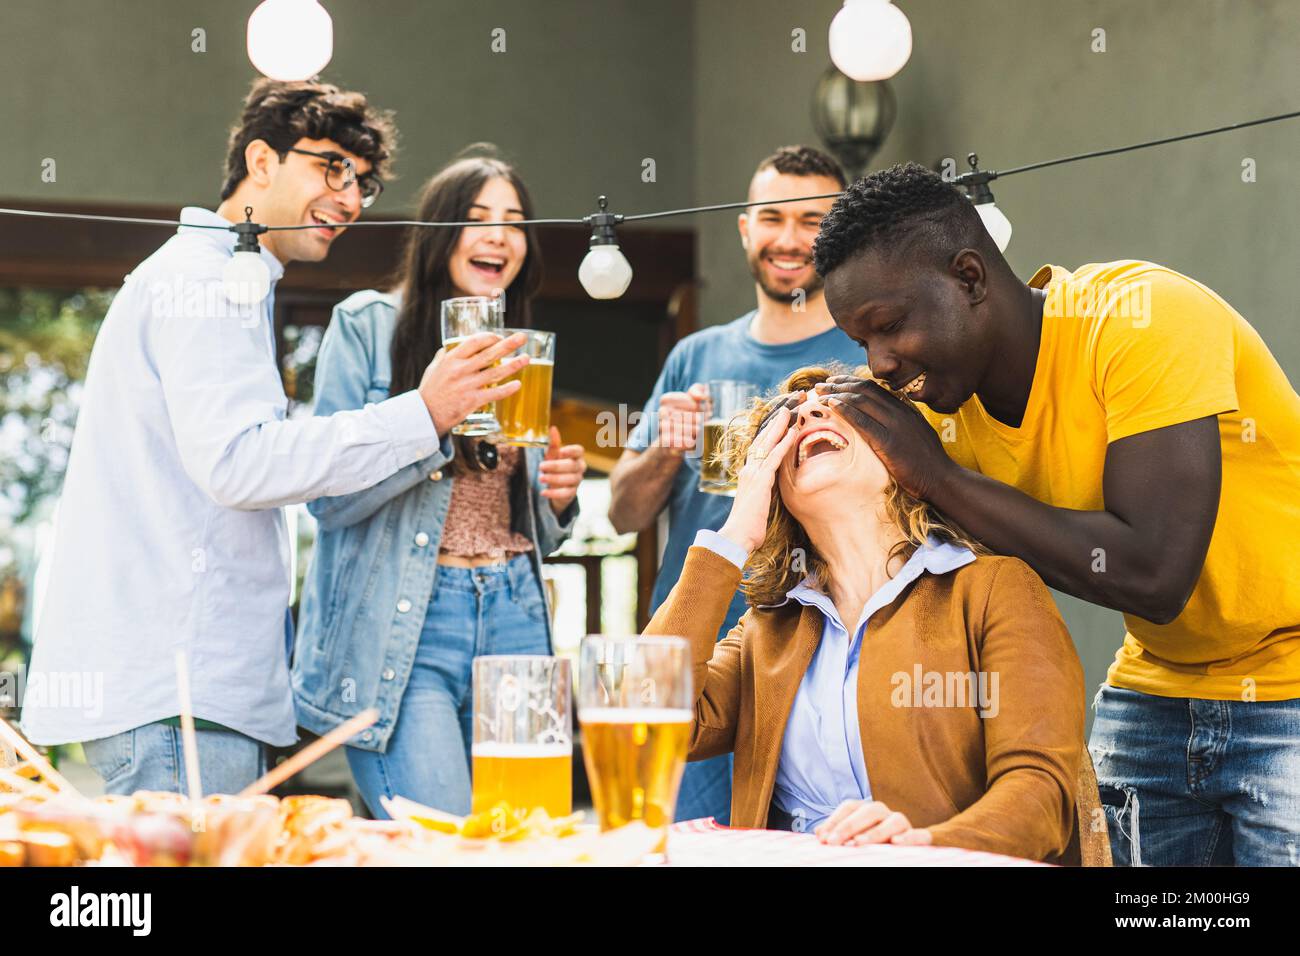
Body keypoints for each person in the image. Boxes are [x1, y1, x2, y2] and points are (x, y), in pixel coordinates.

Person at [22, 79, 518, 797]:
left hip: (185, 693)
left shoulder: (224, 277)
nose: (350, 200)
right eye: (331, 169)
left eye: (364, 184)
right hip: (180, 694)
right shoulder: (207, 278)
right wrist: (424, 413)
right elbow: (238, 464)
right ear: (261, 162)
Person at [813, 161, 1300, 866]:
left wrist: (940, 478)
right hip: (1157, 685)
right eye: (862, 344)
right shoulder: (942, 415)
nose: (879, 362)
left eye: (888, 327)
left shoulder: (1142, 319)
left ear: (970, 278)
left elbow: (1155, 575)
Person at [643, 366, 1107, 863]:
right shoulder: (767, 627)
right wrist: (733, 537)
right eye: (788, 423)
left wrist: (921, 845)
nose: (811, 414)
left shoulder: (994, 588)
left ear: (901, 451)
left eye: (839, 406)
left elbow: (1041, 796)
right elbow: (647, 720)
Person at [293, 148, 585, 818]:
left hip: (514, 607)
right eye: (478, 218)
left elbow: (513, 517)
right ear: (438, 236)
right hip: (413, 620)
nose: (500, 235)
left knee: (529, 840)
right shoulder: (368, 325)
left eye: (514, 222)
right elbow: (327, 496)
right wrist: (431, 421)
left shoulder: (519, 347)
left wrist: (556, 502)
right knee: (444, 841)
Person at [608, 146, 862, 823]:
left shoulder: (867, 360)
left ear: (841, 233)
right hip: (688, 660)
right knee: (685, 846)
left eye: (813, 220)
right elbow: (622, 515)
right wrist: (663, 450)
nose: (788, 238)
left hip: (805, 651)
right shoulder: (695, 354)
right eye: (772, 217)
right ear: (745, 228)